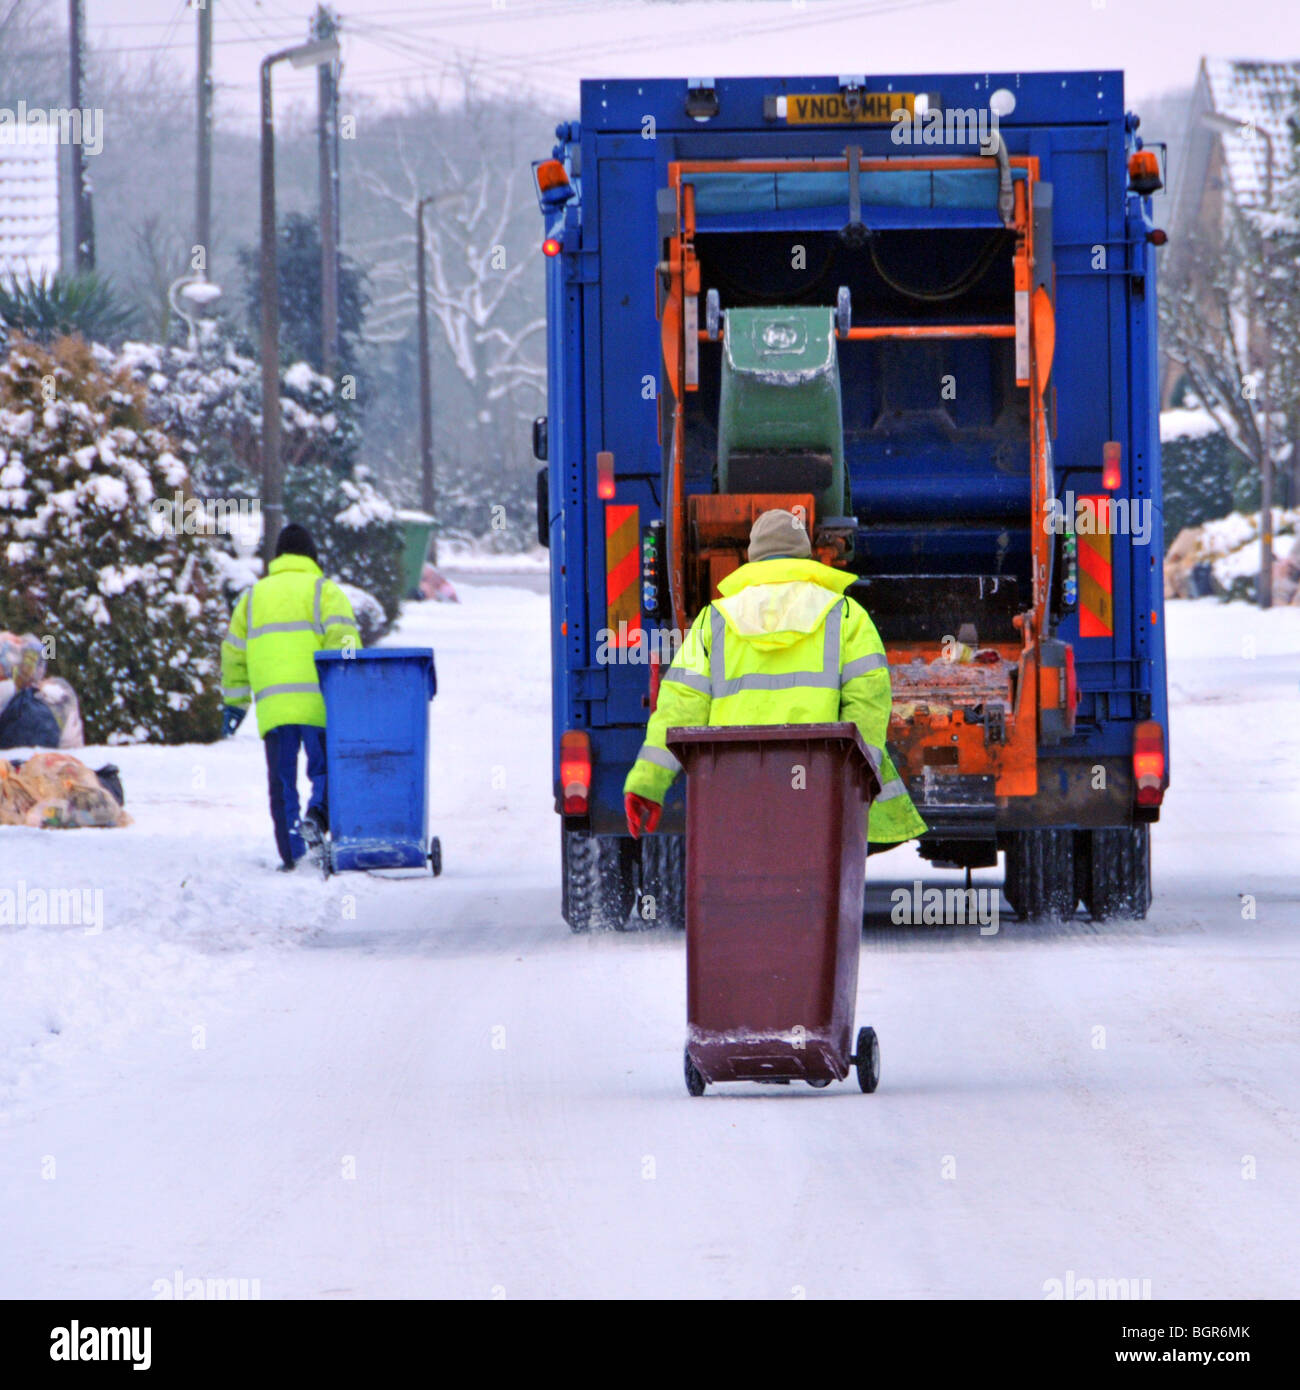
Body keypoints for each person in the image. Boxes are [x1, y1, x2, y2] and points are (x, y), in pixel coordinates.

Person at [623, 508, 927, 846]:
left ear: (754, 558)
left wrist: (647, 784)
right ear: (805, 554)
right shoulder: (846, 617)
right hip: (818, 792)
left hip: (733, 795)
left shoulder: (713, 621)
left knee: (747, 890)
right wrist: (854, 781)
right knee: (813, 889)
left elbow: (678, 711)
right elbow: (868, 706)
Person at [220, 523, 361, 870]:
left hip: (275, 709)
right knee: (327, 772)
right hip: (319, 705)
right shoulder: (325, 592)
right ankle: (318, 816)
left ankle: (292, 852)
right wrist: (351, 696)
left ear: (277, 557)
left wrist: (235, 705)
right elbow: (345, 644)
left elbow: (234, 654)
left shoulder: (252, 598)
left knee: (282, 784)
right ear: (312, 556)